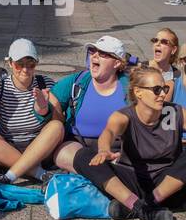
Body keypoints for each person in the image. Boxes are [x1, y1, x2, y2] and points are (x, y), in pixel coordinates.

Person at [74, 66, 186, 220]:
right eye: (156, 90)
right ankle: (144, 209)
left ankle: (134, 206)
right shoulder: (125, 115)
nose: (163, 94)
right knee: (82, 156)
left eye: (164, 88)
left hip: (168, 187)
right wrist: (104, 150)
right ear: (138, 92)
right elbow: (109, 132)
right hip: (132, 180)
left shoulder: (172, 112)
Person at [0, 38, 64, 185]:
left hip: (39, 148)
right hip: (7, 148)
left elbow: (59, 121)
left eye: (31, 64)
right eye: (19, 64)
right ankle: (39, 173)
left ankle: (10, 175)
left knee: (56, 127)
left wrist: (49, 105)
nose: (25, 70)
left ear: (36, 64)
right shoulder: (0, 87)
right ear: (9, 63)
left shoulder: (45, 83)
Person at [49, 35, 132, 171]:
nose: (95, 56)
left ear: (117, 63)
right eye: (93, 51)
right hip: (77, 145)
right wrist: (55, 116)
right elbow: (53, 97)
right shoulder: (78, 81)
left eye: (103, 54)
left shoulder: (129, 88)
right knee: (62, 154)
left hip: (115, 148)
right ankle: (104, 174)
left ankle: (98, 174)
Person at [146, 27, 180, 100]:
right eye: (155, 40)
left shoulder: (177, 76)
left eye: (164, 42)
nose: (158, 44)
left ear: (173, 50)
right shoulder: (142, 68)